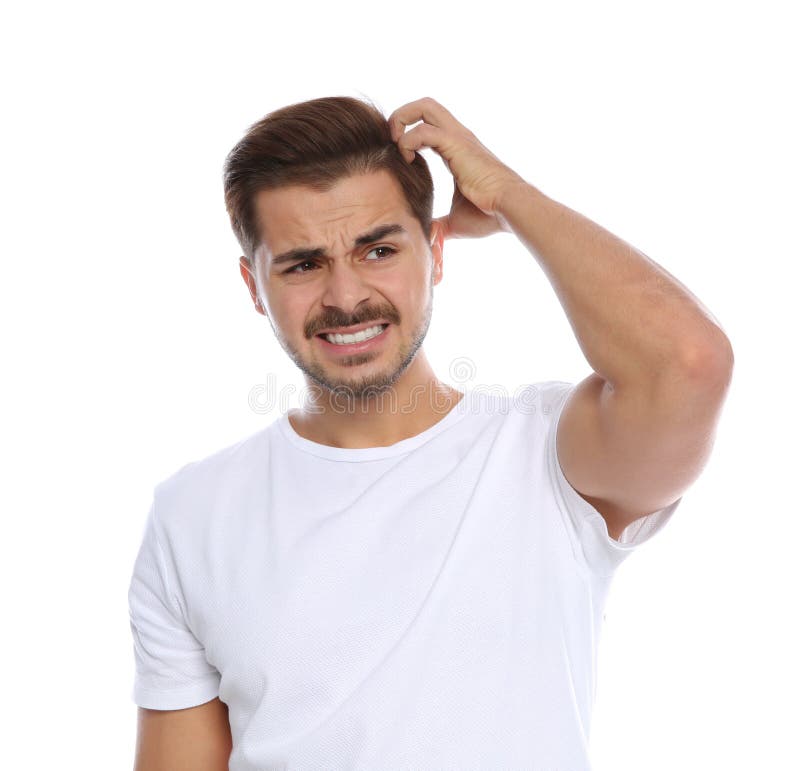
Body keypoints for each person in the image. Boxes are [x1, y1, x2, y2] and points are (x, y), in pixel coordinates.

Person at [128, 95, 734, 770]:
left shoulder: (546, 461)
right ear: (254, 285)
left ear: (437, 251)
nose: (346, 295)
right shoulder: (193, 513)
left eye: (378, 248)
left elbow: (689, 364)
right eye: (303, 263)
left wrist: (509, 198)